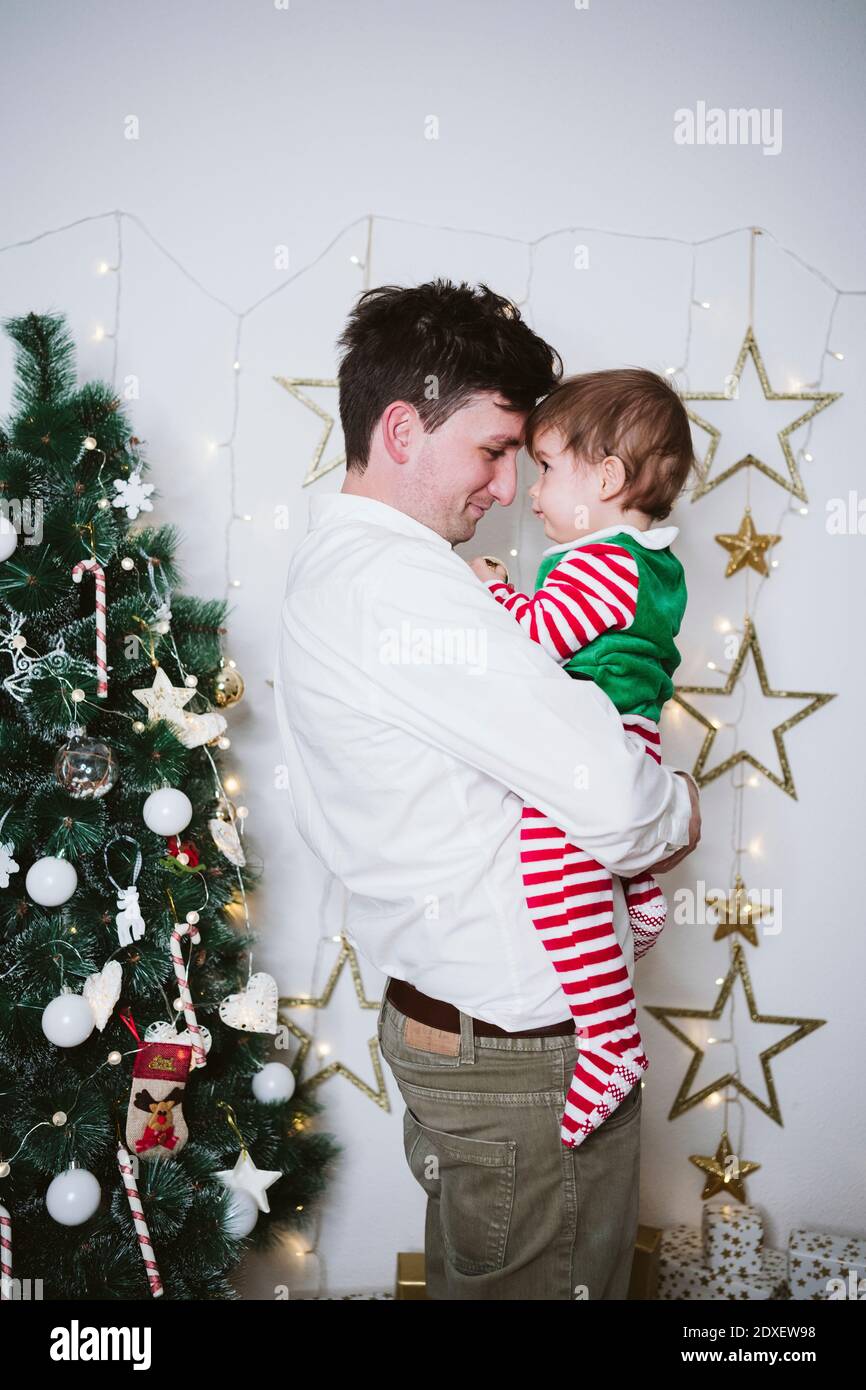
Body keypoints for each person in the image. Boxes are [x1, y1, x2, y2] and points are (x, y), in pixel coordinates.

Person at [272, 280, 701, 1300]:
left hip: (457, 1036)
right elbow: (622, 807)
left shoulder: (339, 565)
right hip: (515, 1057)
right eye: (493, 449)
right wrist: (680, 807)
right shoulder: (402, 587)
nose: (508, 490)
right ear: (402, 428)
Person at [466, 367, 694, 1149]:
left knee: (551, 866)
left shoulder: (601, 561)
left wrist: (492, 594)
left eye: (548, 471)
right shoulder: (651, 559)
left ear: (605, 478)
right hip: (631, 733)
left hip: (605, 735)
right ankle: (636, 886)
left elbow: (539, 640)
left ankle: (610, 1043)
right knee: (585, 849)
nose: (529, 493)